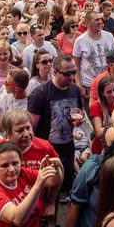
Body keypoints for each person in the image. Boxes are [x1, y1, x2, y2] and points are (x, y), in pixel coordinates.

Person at [28, 54, 84, 191]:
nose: (71, 77)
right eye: (67, 74)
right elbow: (32, 126)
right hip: (47, 147)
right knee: (49, 186)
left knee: (66, 182)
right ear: (55, 71)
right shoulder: (40, 94)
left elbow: (80, 111)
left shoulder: (75, 90)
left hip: (68, 143)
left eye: (74, 73)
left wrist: (77, 121)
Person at [73, 11, 114, 98]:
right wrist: (78, 83)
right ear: (88, 23)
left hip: (108, 82)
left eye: (101, 19)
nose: (100, 22)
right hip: (89, 83)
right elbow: (76, 64)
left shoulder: (109, 36)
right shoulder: (80, 40)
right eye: (97, 20)